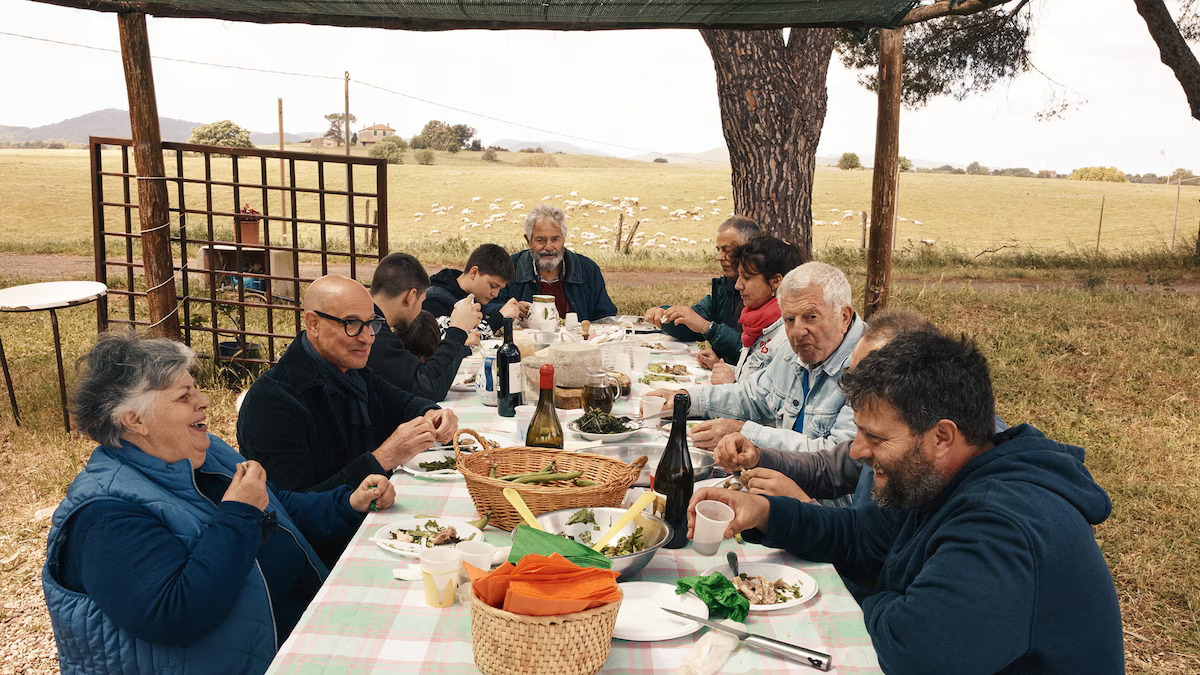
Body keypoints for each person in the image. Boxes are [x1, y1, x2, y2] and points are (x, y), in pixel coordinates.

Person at [688, 331, 1124, 673]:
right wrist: (767, 514)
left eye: (874, 437)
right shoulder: (939, 475)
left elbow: (914, 653)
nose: (856, 451)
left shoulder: (1003, 525)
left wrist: (885, 592)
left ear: (942, 436)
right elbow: (866, 539)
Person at [43, 333, 397, 674]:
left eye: (195, 387)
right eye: (184, 396)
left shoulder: (206, 451)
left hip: (308, 639)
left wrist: (347, 503)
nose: (204, 401)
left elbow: (275, 509)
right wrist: (239, 515)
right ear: (134, 420)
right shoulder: (104, 515)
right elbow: (173, 614)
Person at [237, 274, 458, 498]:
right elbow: (292, 508)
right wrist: (384, 458)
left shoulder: (350, 371)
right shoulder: (273, 401)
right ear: (313, 324)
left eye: (371, 323)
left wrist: (432, 414)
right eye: (352, 324)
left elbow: (403, 403)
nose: (368, 337)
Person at [714, 308, 936, 503]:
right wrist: (759, 457)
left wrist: (800, 503)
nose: (856, 449)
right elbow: (828, 467)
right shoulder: (900, 451)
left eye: (811, 317)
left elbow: (863, 543)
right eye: (789, 319)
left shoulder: (957, 512)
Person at [650, 261, 864, 453]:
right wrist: (686, 398)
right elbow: (753, 395)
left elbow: (840, 459)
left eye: (811, 317)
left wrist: (747, 433)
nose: (798, 331)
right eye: (789, 320)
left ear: (844, 317)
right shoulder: (799, 350)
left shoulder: (870, 367)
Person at [643, 215, 761, 365]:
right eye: (718, 250)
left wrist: (708, 328)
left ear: (750, 249)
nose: (719, 257)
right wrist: (665, 315)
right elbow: (693, 320)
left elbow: (752, 353)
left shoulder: (765, 295)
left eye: (727, 250)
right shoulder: (726, 287)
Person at [365, 253, 480, 401]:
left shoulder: (372, 322)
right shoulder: (373, 332)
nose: (420, 310)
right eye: (421, 301)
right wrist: (458, 329)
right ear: (411, 296)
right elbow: (429, 387)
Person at [486, 203, 618, 321]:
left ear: (564, 239)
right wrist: (509, 309)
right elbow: (486, 307)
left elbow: (606, 317)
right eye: (541, 240)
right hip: (525, 345)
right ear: (528, 241)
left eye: (555, 239)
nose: (549, 247)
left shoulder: (587, 269)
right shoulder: (508, 268)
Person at [424, 243, 520, 339]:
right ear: (474, 273)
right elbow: (450, 339)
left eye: (500, 289)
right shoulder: (435, 300)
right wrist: (499, 317)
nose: (495, 294)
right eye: (493, 286)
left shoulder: (475, 295)